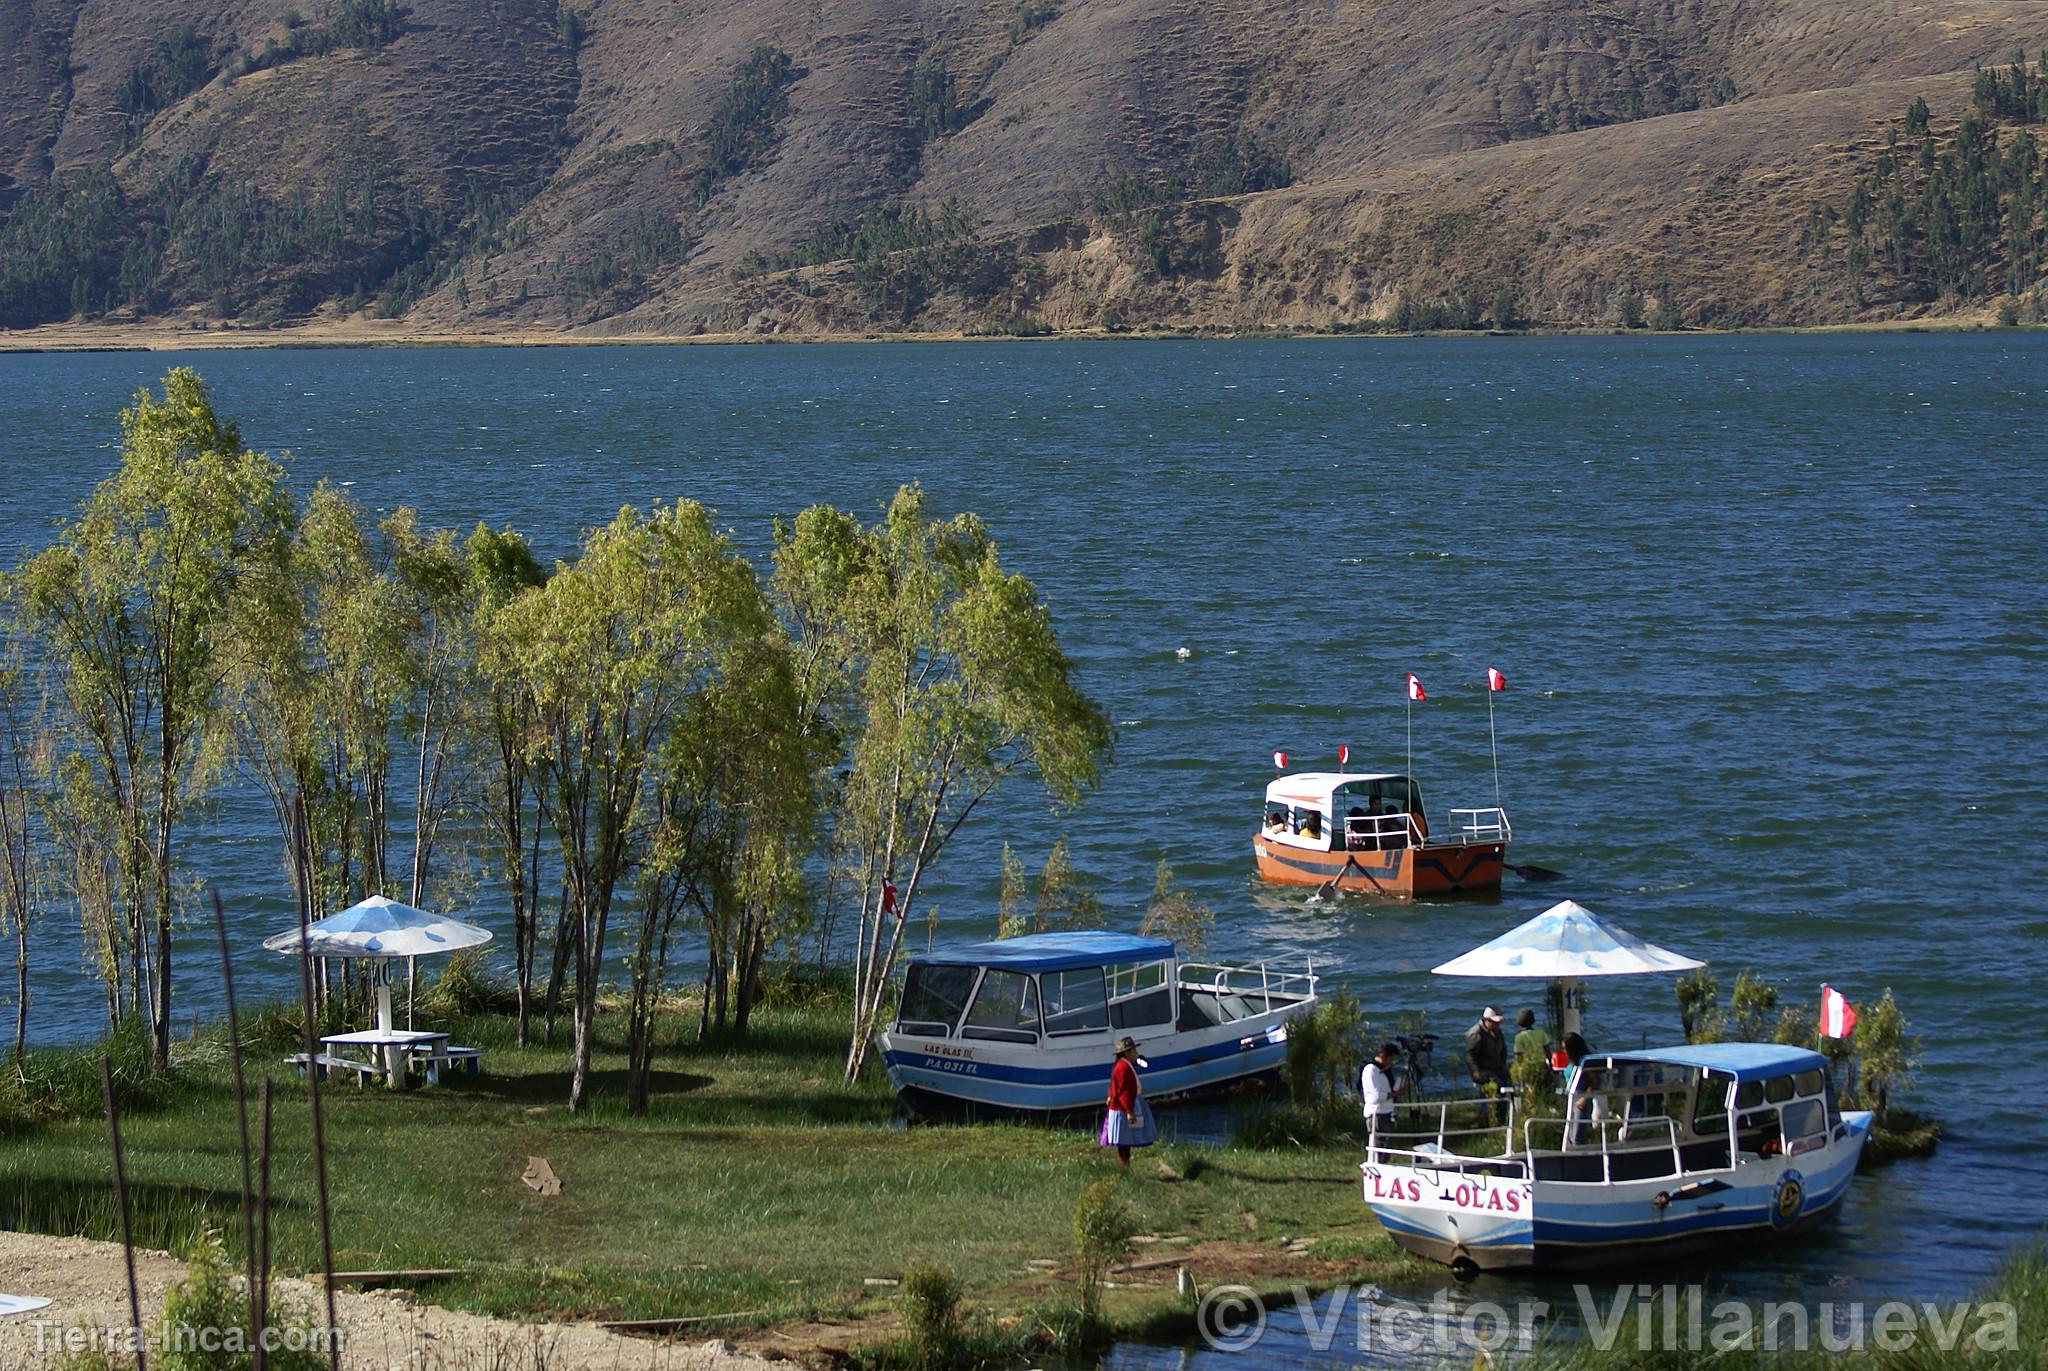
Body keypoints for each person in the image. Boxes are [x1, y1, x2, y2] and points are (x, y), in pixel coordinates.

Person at [1102, 1036, 1154, 1167]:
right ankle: (1124, 1168)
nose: (1136, 1053)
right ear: (1127, 1053)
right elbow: (1124, 1091)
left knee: (1124, 1142)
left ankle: (1124, 1167)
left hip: (1120, 1107)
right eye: (1133, 1050)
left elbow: (1115, 1087)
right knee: (1124, 1142)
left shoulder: (1121, 1066)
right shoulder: (1123, 1068)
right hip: (1123, 1109)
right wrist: (1129, 1112)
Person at [1465, 1006, 1510, 1122]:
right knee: (1496, 1092)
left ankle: (1500, 1118)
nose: (1497, 1025)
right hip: (1484, 1071)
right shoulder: (1475, 1034)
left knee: (1507, 1089)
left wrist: (1503, 1066)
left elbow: (1503, 1049)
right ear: (1486, 1020)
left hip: (1498, 1068)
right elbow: (1470, 1056)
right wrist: (1476, 1072)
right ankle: (1489, 1119)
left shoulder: (1496, 1031)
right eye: (1494, 1022)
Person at [1360, 1042, 1402, 1160]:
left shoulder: (1383, 1070)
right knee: (1379, 1148)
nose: (1392, 1062)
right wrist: (1395, 1093)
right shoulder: (1371, 1070)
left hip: (1386, 1112)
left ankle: (1382, 1168)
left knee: (1386, 1148)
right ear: (1384, 1056)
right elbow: (1376, 1097)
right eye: (1391, 1059)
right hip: (1376, 1113)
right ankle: (1377, 1171)